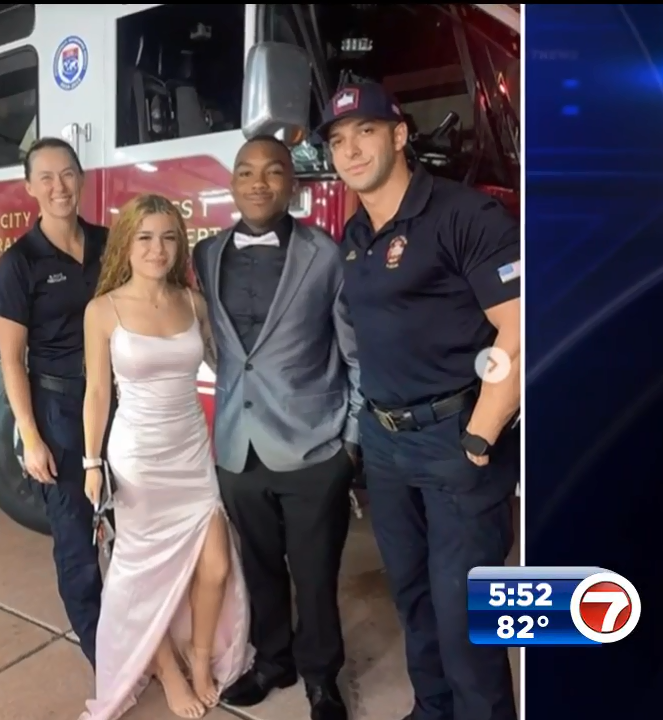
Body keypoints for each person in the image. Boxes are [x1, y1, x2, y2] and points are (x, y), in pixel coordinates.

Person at [318, 82, 521, 720]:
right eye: (338, 140)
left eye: (366, 132)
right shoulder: (353, 235)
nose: (351, 149)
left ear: (400, 135)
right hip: (386, 443)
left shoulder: (466, 215)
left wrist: (481, 437)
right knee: (412, 598)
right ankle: (432, 710)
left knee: (465, 614)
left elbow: (521, 325)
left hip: (457, 435)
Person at [192, 135, 362, 720]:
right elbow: (222, 347)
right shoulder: (206, 255)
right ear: (233, 183)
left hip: (316, 447)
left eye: (272, 172)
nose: (258, 182)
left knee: (315, 573)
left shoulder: (325, 254)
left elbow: (354, 353)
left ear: (293, 183)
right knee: (258, 564)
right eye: (246, 172)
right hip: (238, 447)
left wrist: (352, 443)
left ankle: (321, 677)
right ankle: (273, 660)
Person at [80, 194, 253, 720]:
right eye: (145, 238)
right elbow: (96, 394)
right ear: (126, 244)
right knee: (142, 575)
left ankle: (201, 661)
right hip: (138, 461)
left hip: (191, 454)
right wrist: (92, 465)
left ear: (180, 246)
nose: (157, 249)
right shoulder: (103, 309)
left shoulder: (193, 303)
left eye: (169, 237)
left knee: (218, 566)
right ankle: (169, 672)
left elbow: (232, 369)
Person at [0, 137, 110, 667]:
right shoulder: (19, 264)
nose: (59, 186)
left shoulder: (111, 243)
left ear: (82, 177)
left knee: (133, 530)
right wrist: (31, 437)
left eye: (67, 174)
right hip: (59, 411)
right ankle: (105, 656)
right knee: (77, 543)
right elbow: (12, 361)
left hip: (118, 406)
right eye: (46, 177)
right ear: (30, 188)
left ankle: (142, 632)